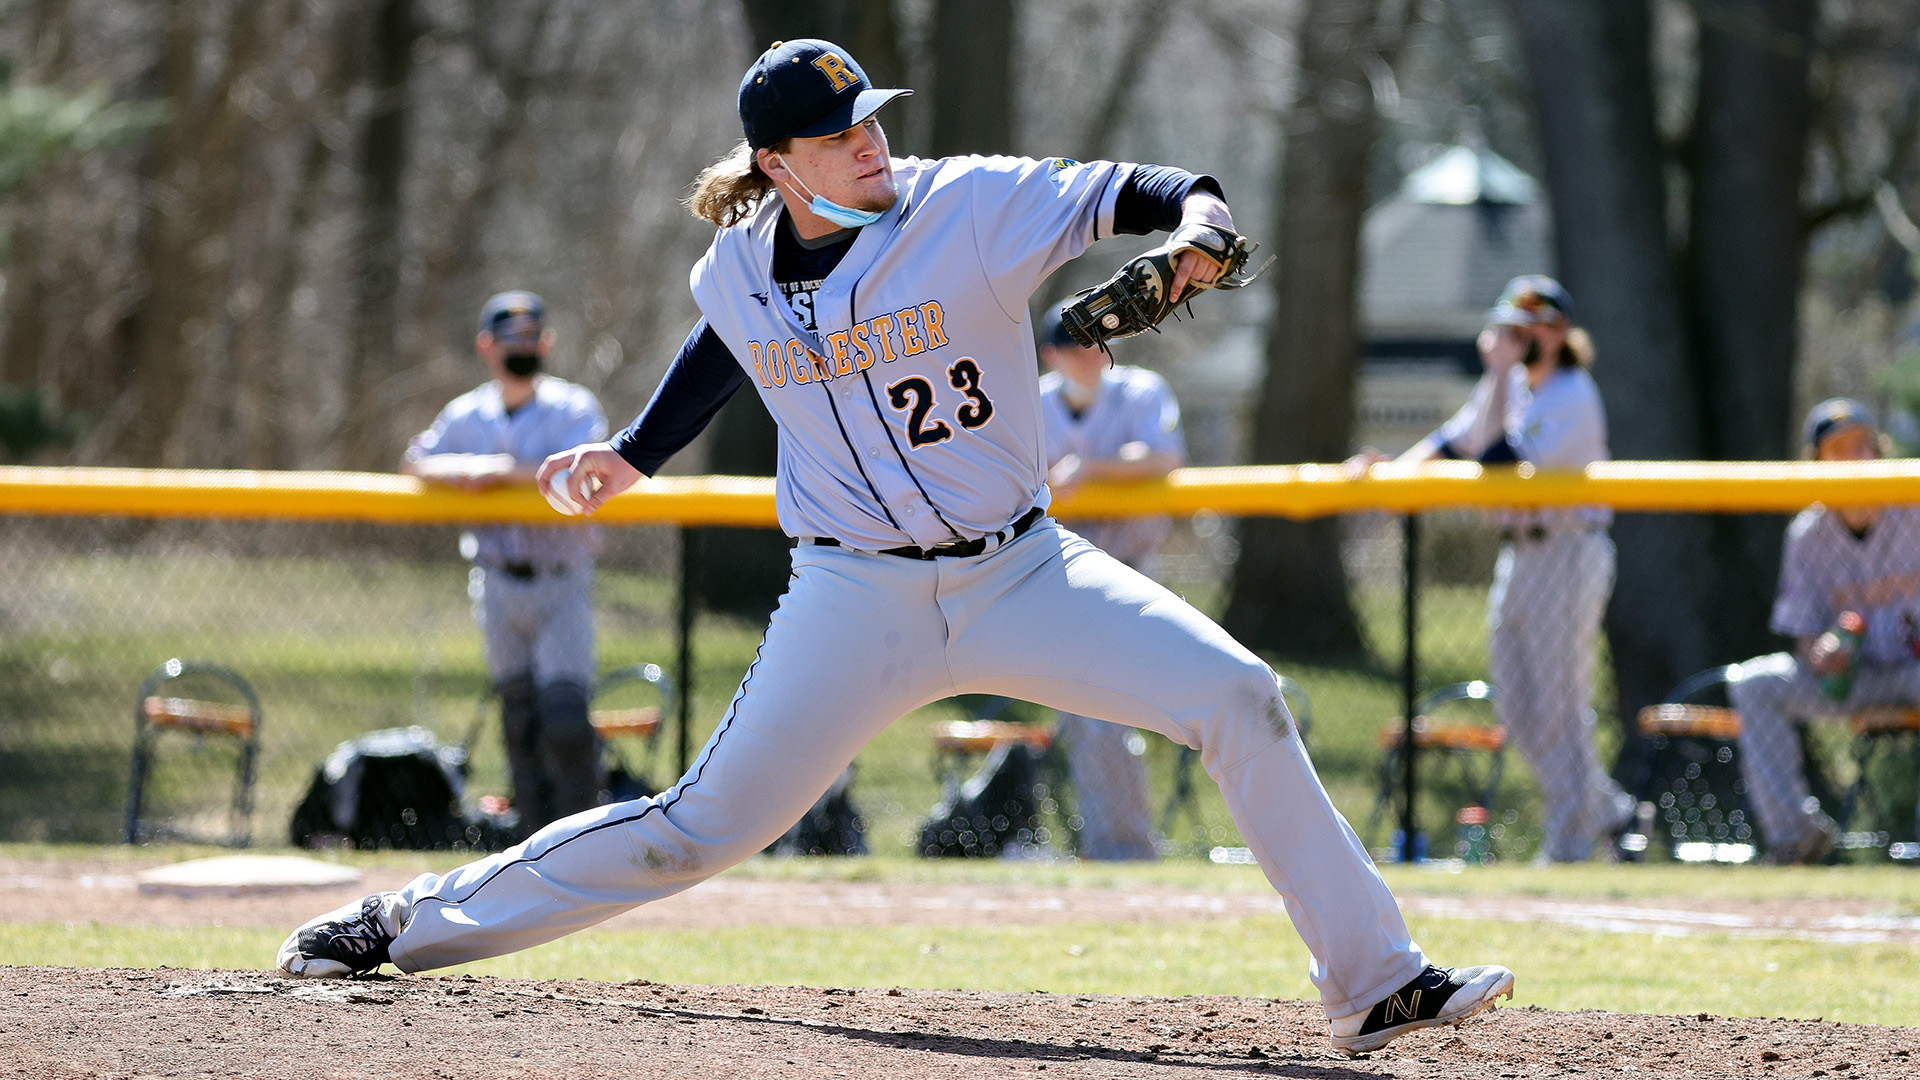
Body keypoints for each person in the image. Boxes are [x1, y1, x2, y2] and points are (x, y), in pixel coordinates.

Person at [280, 39, 1511, 1056]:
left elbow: (1150, 184)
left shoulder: (967, 202)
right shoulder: (740, 265)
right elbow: (725, 340)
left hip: (1023, 571)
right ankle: (402, 924)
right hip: (851, 595)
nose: (869, 141)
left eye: (869, 118)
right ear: (779, 166)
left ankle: (1376, 983)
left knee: (1243, 696)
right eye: (839, 135)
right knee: (695, 827)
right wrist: (632, 454)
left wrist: (1198, 229)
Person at [1373, 276, 1632, 864]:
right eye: (1509, 325)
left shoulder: (1571, 392)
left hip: (1567, 548)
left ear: (1558, 331)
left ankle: (1569, 841)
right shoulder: (1512, 384)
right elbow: (1454, 440)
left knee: (1560, 704)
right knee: (1517, 707)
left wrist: (1495, 374)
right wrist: (1395, 475)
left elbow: (1496, 458)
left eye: (1528, 327)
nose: (1515, 338)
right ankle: (1609, 810)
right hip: (1520, 553)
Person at [402, 291, 610, 837]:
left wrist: (502, 470)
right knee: (518, 719)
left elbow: (586, 462)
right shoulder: (468, 413)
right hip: (496, 578)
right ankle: (533, 843)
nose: (524, 347)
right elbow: (417, 460)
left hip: (559, 578)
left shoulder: (571, 405)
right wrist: (468, 469)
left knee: (564, 719)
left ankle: (585, 837)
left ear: (547, 343)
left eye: (532, 337)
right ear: (486, 346)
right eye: (511, 339)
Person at [1727, 398, 1920, 865]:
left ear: (1880, 453)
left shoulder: (1914, 508)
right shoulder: (1807, 534)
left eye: (1862, 445)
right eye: (1838, 449)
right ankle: (1796, 836)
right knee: (1753, 684)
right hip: (1852, 679)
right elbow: (1805, 637)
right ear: (1817, 464)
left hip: (1914, 670)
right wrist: (1824, 652)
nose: (1854, 458)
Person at [1037, 303, 1185, 860]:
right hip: (1058, 579)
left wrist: (1091, 468)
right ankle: (1111, 844)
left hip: (1132, 575)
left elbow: (1164, 454)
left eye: (1099, 339)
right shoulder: (1032, 400)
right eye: (1077, 343)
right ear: (1052, 354)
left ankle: (1127, 844)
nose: (1092, 352)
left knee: (1115, 717)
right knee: (1085, 720)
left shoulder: (1141, 390)